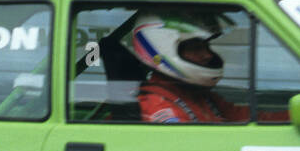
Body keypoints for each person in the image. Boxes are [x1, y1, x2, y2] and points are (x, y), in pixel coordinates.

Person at [121, 10, 286, 123]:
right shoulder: (159, 108)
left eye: (206, 47)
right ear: (161, 48)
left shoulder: (195, 94)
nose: (207, 55)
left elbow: (248, 117)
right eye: (195, 48)